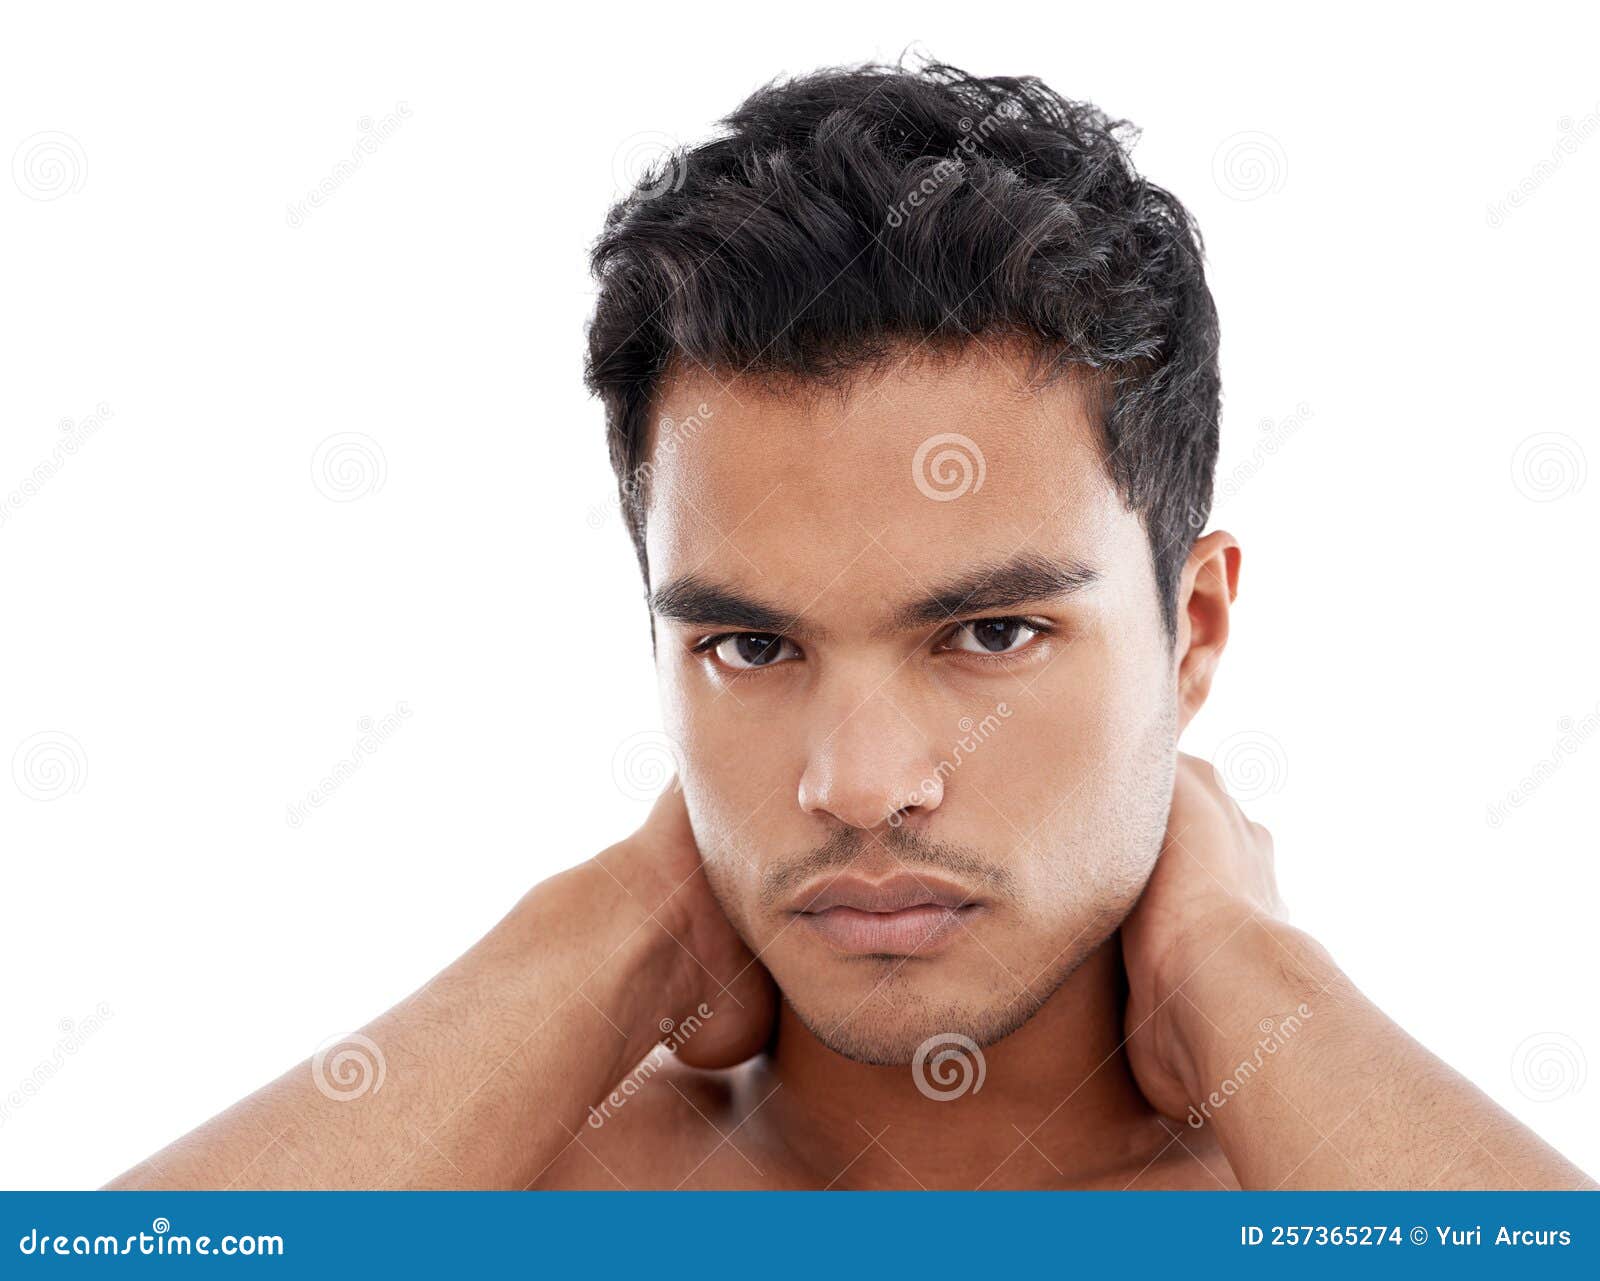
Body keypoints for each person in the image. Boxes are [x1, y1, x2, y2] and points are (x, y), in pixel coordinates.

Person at [111, 61, 1594, 1192]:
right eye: (750, 646)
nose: (862, 784)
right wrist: (624, 930)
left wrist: (1247, 977)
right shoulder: (502, 1203)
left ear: (1193, 629)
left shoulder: (1351, 1199)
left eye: (991, 634)